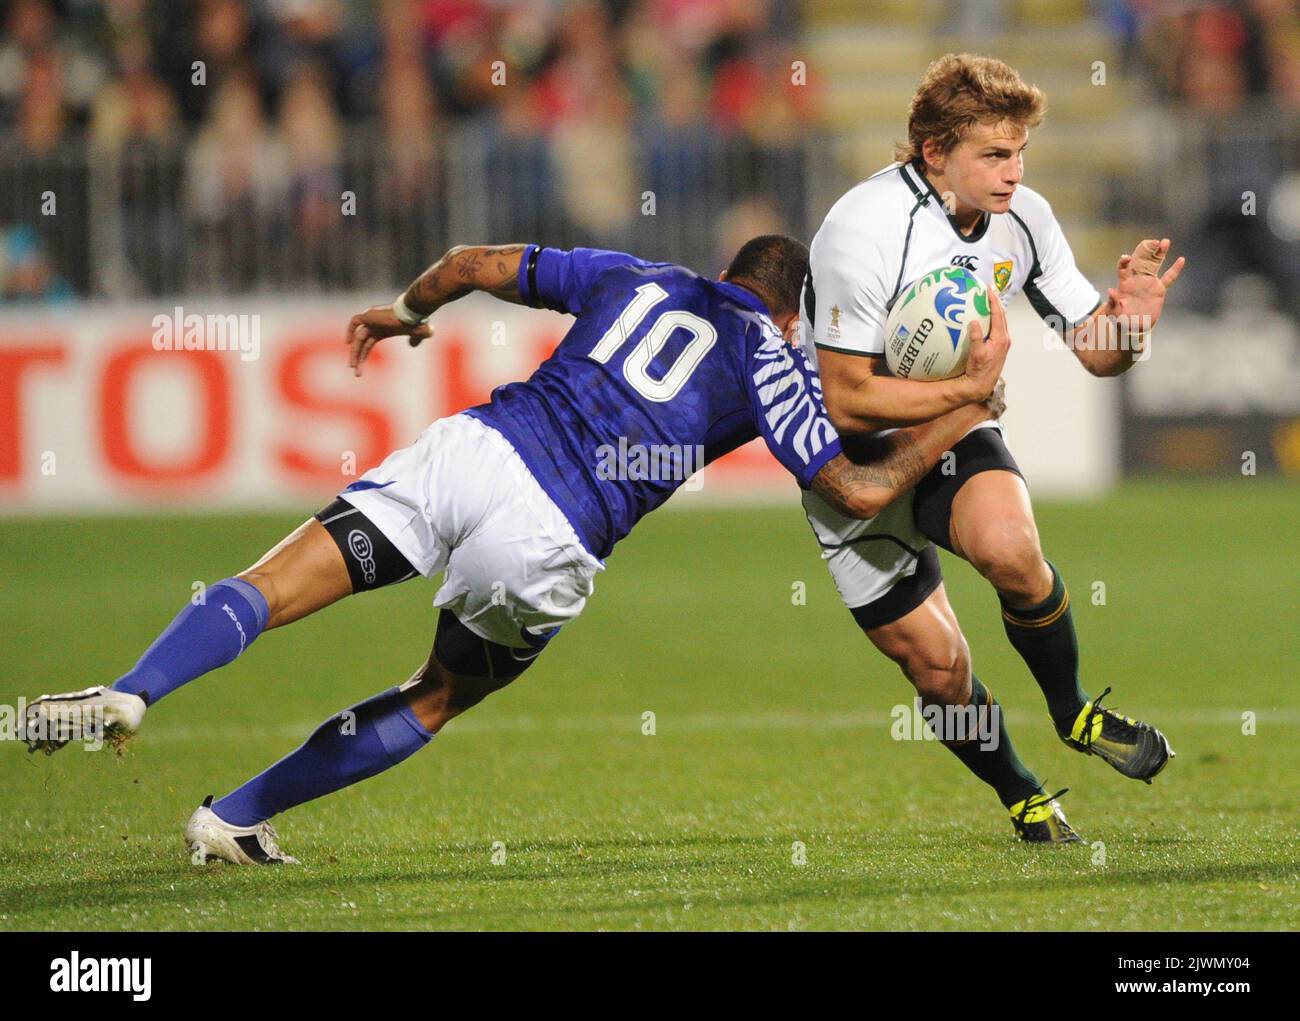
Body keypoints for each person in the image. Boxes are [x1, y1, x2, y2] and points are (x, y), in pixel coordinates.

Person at [25, 235, 1007, 864]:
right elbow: (859, 486)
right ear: (790, 315)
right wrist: (964, 402)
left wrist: (407, 314)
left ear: (725, 271)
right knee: (438, 691)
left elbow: (466, 264)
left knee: (270, 582)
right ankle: (233, 817)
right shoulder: (769, 362)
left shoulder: (637, 275)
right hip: (553, 534)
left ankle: (131, 689)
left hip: (477, 447)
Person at [799, 53, 1185, 842]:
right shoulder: (862, 228)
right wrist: (971, 391)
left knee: (1012, 550)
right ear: (933, 151)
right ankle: (1024, 796)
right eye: (994, 155)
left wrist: (1131, 328)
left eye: (1020, 153)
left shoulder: (1026, 219)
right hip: (847, 456)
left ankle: (1074, 711)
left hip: (947, 426)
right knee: (939, 669)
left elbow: (1095, 349)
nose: (1014, 174)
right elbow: (847, 395)